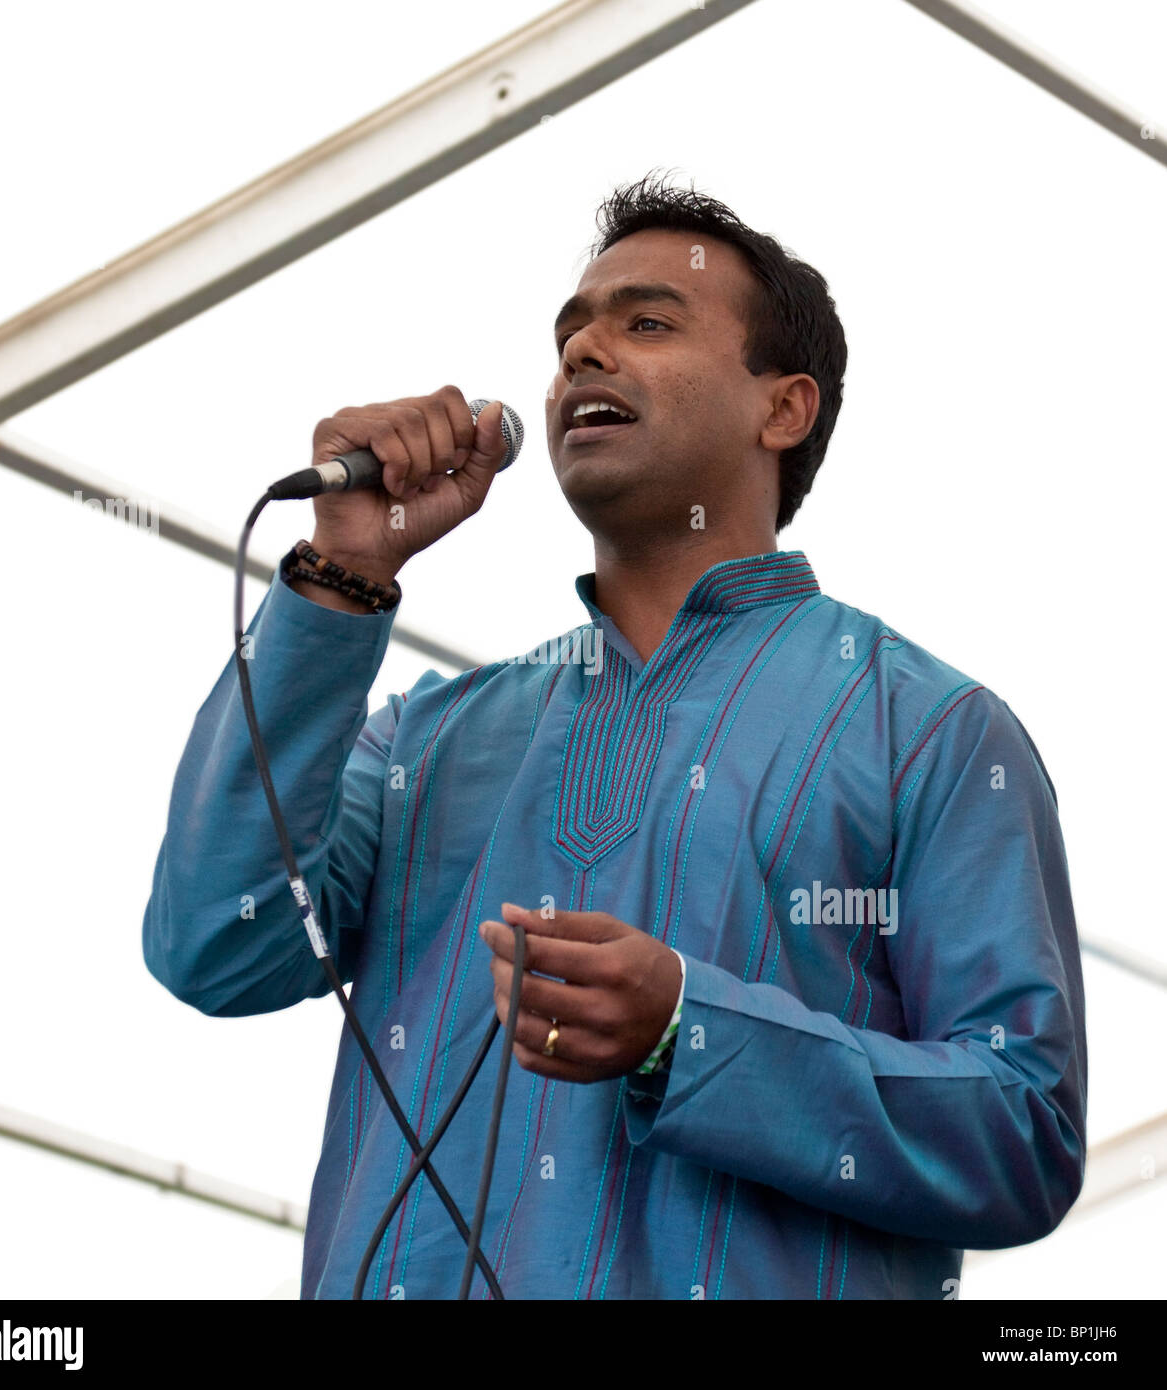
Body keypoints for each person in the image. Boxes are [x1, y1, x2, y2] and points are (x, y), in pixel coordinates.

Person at [143, 171, 1086, 1300]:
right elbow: (215, 943)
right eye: (568, 336)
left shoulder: (927, 730)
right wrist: (342, 573)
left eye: (645, 322)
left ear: (781, 408)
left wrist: (689, 1031)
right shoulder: (421, 742)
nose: (583, 353)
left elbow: (1022, 1129)